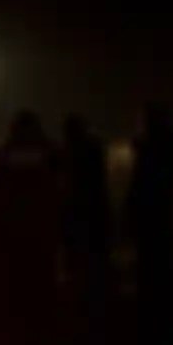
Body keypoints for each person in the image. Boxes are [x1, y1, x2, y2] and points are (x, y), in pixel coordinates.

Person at [0, 111, 59, 325]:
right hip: (40, 219)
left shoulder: (7, 152)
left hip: (18, 221)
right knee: (40, 269)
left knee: (20, 270)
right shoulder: (46, 149)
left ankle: (22, 315)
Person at [128, 102, 173, 314]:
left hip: (150, 211)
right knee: (159, 256)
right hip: (160, 211)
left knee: (150, 258)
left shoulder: (150, 151)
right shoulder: (167, 147)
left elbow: (140, 181)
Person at [60, 115, 112, 302]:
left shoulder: (72, 155)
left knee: (79, 260)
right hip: (91, 214)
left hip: (80, 213)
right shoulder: (91, 152)